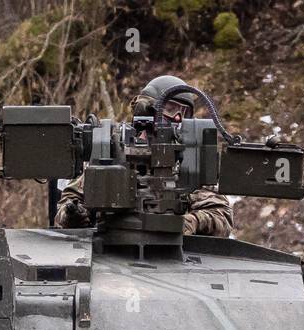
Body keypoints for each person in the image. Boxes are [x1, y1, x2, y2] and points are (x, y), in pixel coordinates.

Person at [53, 74, 234, 237]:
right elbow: (65, 210)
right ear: (145, 110)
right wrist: (75, 215)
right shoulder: (112, 152)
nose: (178, 118)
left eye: (184, 112)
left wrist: (190, 221)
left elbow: (221, 218)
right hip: (109, 250)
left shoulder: (190, 161)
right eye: (171, 108)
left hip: (175, 255)